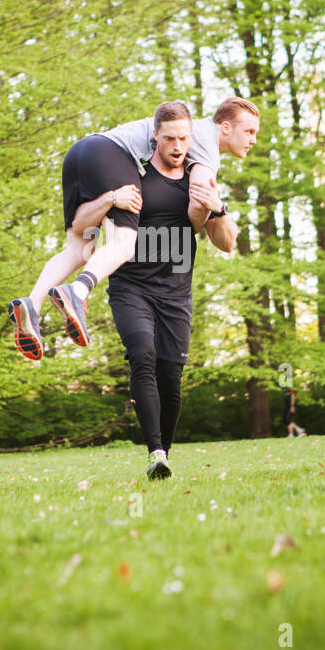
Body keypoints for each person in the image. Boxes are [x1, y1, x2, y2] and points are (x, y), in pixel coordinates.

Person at [8, 97, 258, 359]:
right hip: (109, 154)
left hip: (79, 153)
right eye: (249, 132)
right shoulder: (206, 141)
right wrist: (199, 221)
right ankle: (78, 291)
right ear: (226, 127)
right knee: (125, 243)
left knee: (79, 248)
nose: (253, 140)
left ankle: (31, 305)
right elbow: (198, 201)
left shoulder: (185, 131)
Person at [84, 105, 238, 480]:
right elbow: (86, 228)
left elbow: (228, 243)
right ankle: (155, 451)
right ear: (155, 135)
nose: (177, 145)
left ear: (192, 137)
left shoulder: (199, 180)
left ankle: (163, 454)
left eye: (184, 138)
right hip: (131, 288)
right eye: (169, 138)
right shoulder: (131, 178)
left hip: (176, 295)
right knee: (142, 354)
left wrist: (217, 209)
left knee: (171, 376)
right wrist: (82, 286)